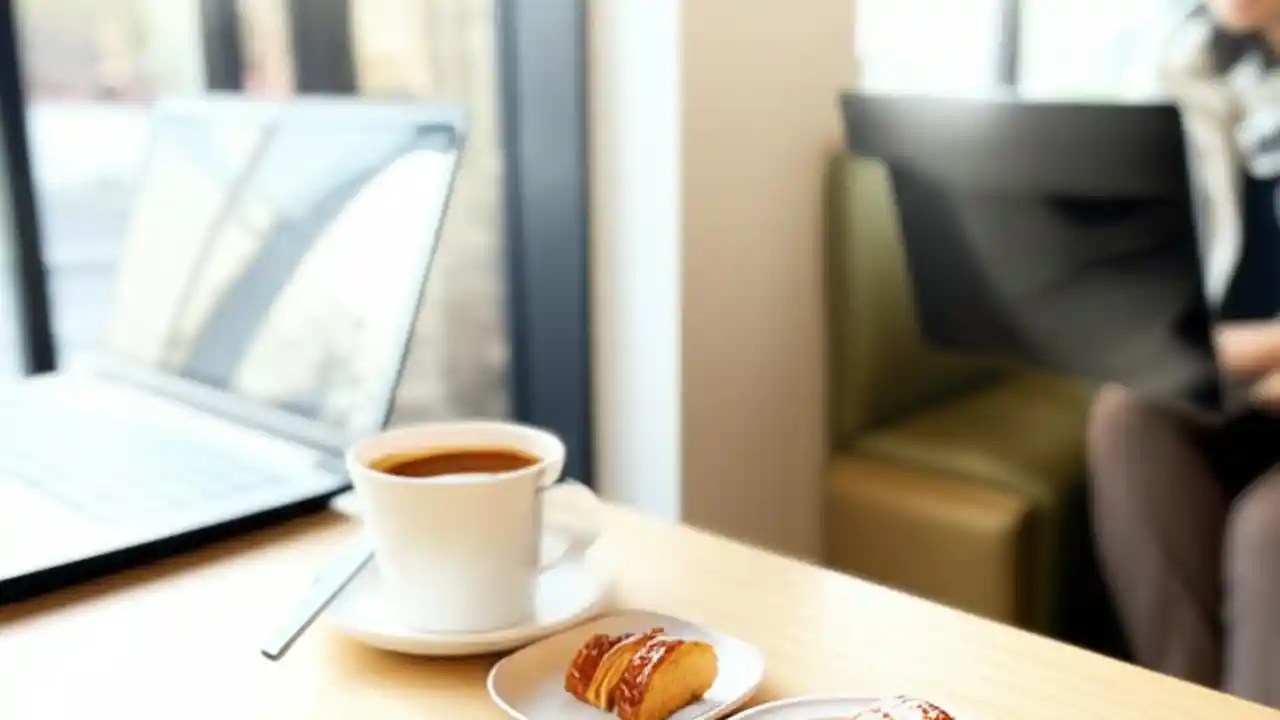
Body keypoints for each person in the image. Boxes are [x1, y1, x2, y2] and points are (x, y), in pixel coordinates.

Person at [1087, 0, 1280, 707]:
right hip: (1249, 369)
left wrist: (1236, 347)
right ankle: (1186, 704)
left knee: (1269, 531)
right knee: (1128, 416)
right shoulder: (1197, 63)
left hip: (1253, 359)